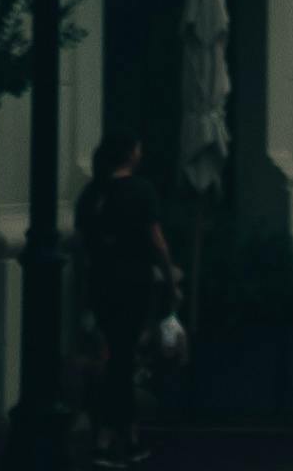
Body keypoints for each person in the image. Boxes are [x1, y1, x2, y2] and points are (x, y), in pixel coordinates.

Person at [69, 120, 181, 466]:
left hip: (100, 284)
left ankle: (126, 437)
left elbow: (82, 245)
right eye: (138, 147)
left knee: (116, 358)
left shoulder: (91, 193)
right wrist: (171, 278)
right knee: (121, 361)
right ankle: (108, 442)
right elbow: (156, 241)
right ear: (130, 153)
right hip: (133, 284)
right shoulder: (141, 191)